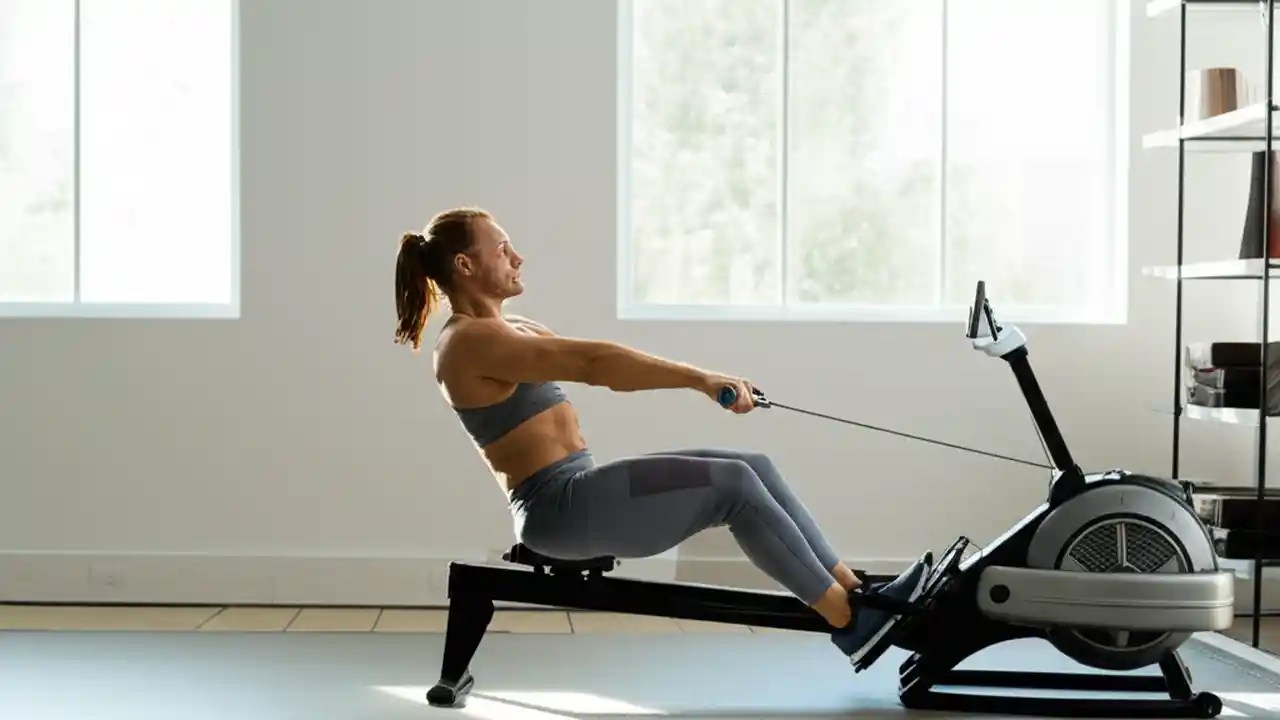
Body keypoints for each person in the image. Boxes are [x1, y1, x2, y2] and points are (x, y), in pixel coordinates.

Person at [393, 206, 931, 663]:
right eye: (503, 248)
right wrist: (701, 378)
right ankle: (850, 625)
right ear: (465, 265)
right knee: (735, 486)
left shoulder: (516, 328)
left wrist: (700, 380)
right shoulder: (466, 343)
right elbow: (595, 362)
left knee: (753, 466)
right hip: (557, 511)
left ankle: (860, 594)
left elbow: (601, 363)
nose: (518, 257)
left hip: (583, 489)